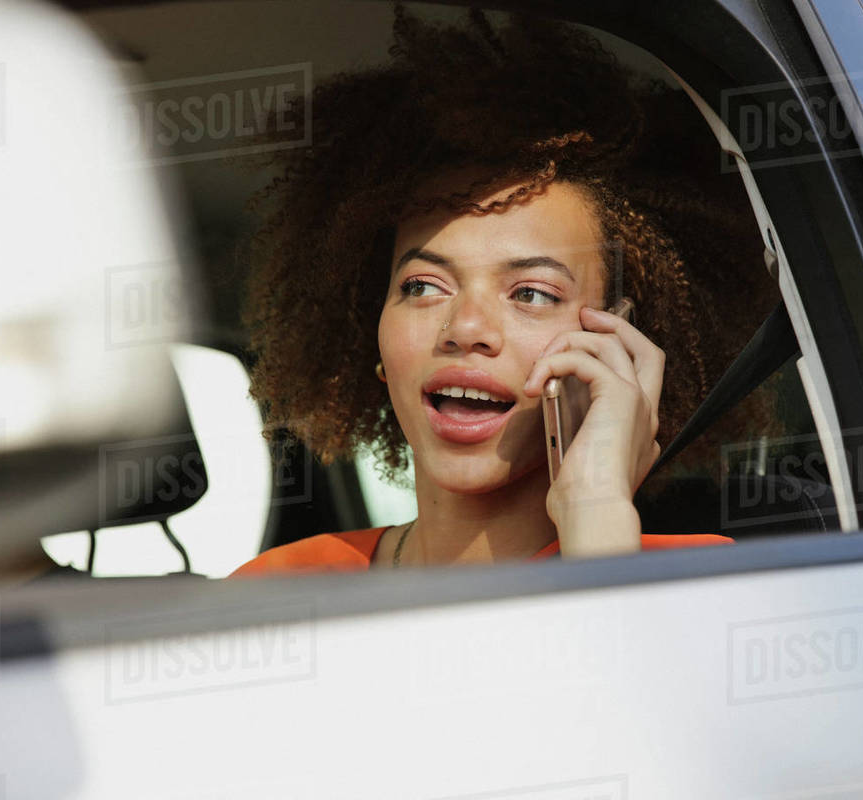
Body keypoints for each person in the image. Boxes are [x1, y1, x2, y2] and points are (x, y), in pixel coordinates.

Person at [232, 5, 776, 574]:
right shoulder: (277, 586)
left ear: (614, 344)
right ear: (377, 339)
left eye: (532, 294)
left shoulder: (713, 585)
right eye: (422, 286)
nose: (465, 329)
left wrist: (595, 518)